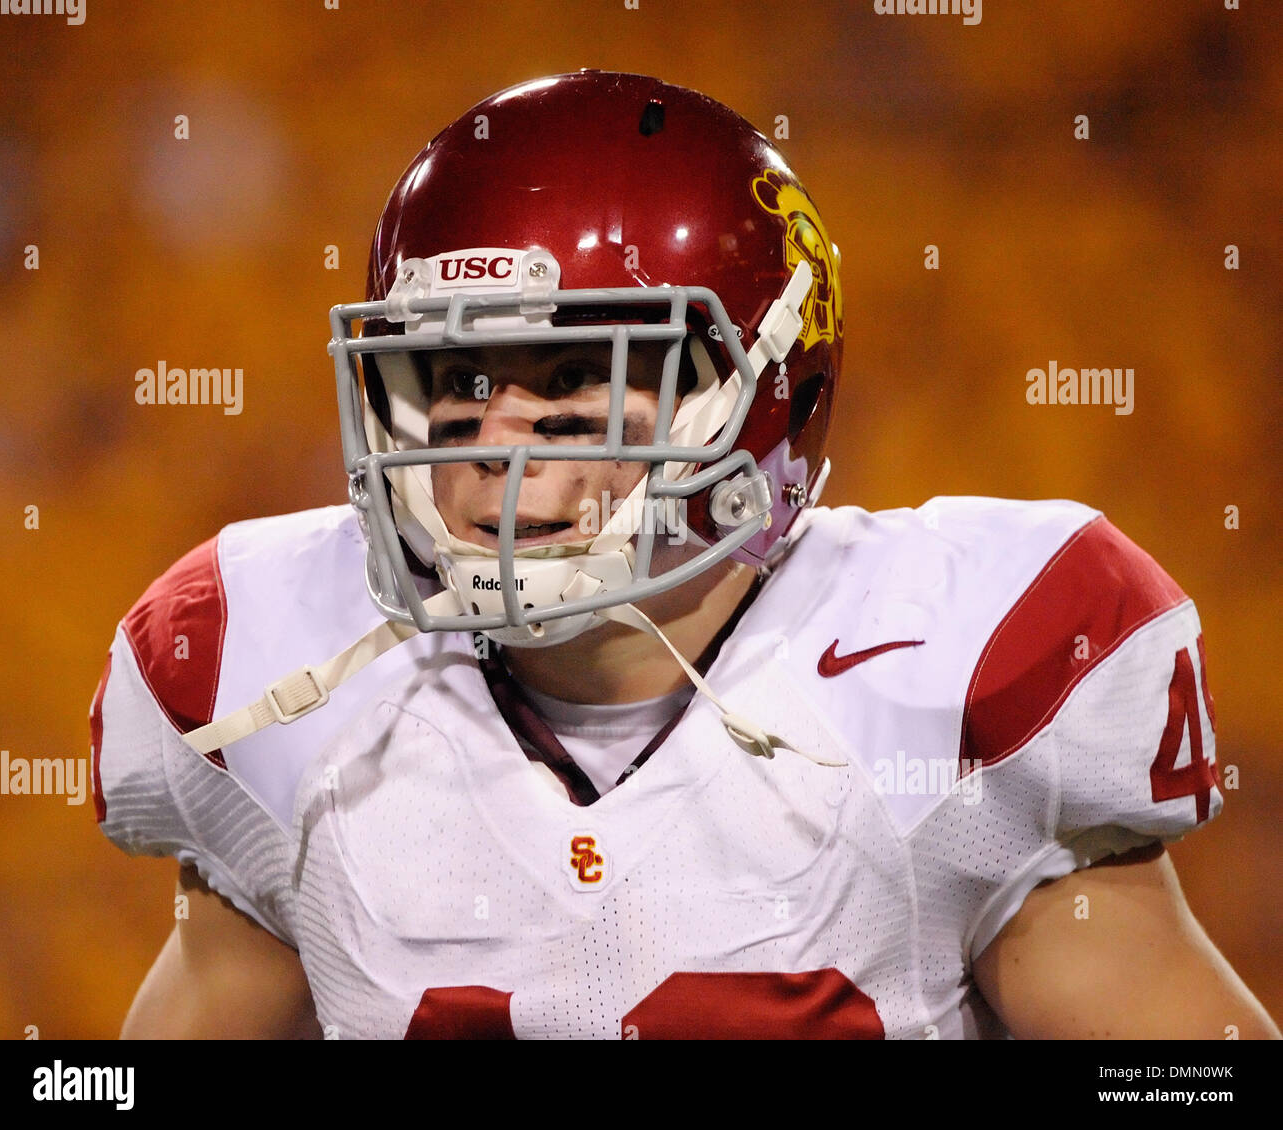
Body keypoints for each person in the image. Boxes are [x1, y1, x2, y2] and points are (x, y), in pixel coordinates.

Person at [91, 70, 1278, 1040]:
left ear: (762, 392)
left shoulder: (944, 669)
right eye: (456, 383)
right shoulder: (288, 684)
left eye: (573, 384)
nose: (498, 457)